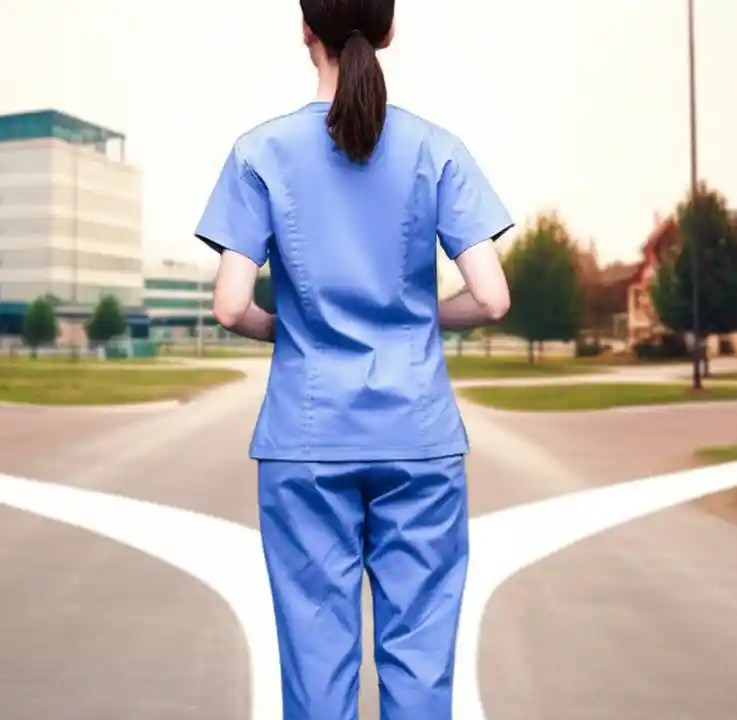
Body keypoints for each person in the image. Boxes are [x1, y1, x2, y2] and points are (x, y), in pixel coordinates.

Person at [195, 1, 512, 717]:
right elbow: (492, 298)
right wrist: (412, 318)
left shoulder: (259, 153)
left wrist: (292, 328)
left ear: (307, 30)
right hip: (419, 438)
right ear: (389, 31)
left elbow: (228, 304)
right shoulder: (438, 149)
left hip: (306, 441)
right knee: (421, 664)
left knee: (315, 665)